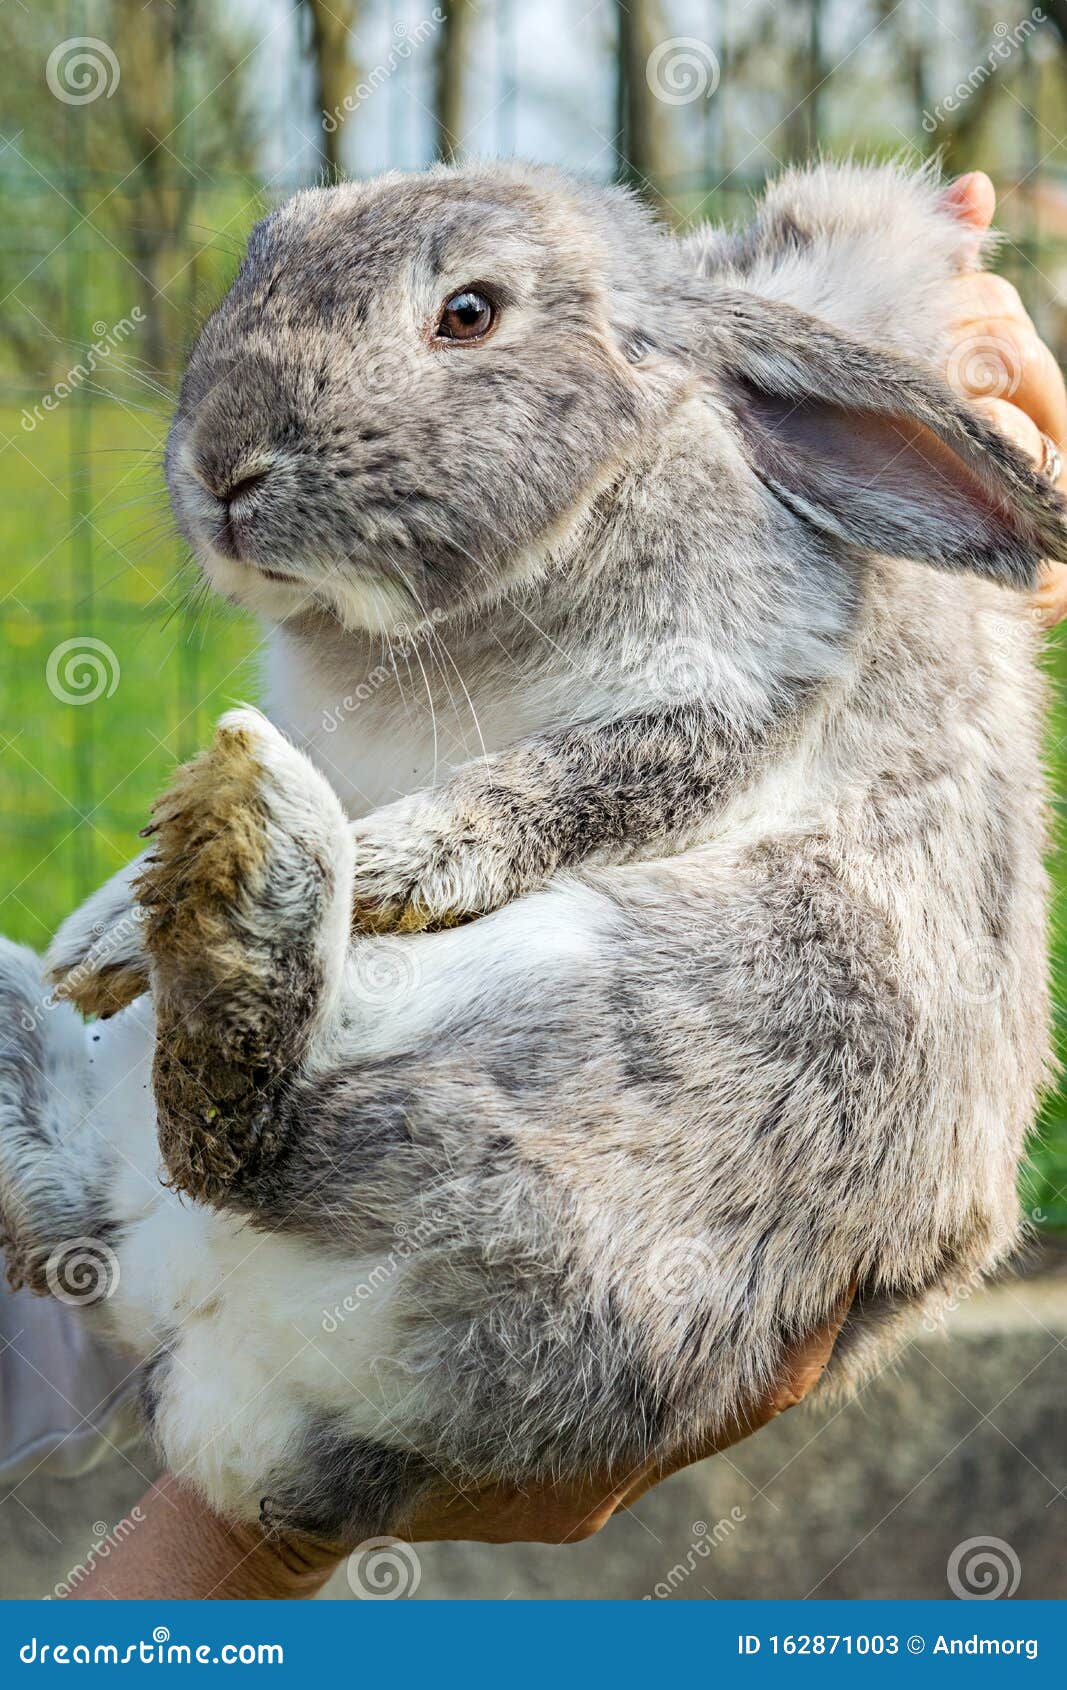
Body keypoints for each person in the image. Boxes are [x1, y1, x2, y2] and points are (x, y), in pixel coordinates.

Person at [2, 174, 1063, 1600]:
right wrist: (246, 1536)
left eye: (463, 318)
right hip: (398, 1263)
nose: (230, 460)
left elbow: (706, 728)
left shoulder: (694, 485)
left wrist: (903, 340)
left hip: (599, 1194)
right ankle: (192, 1141)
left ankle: (214, 1135)